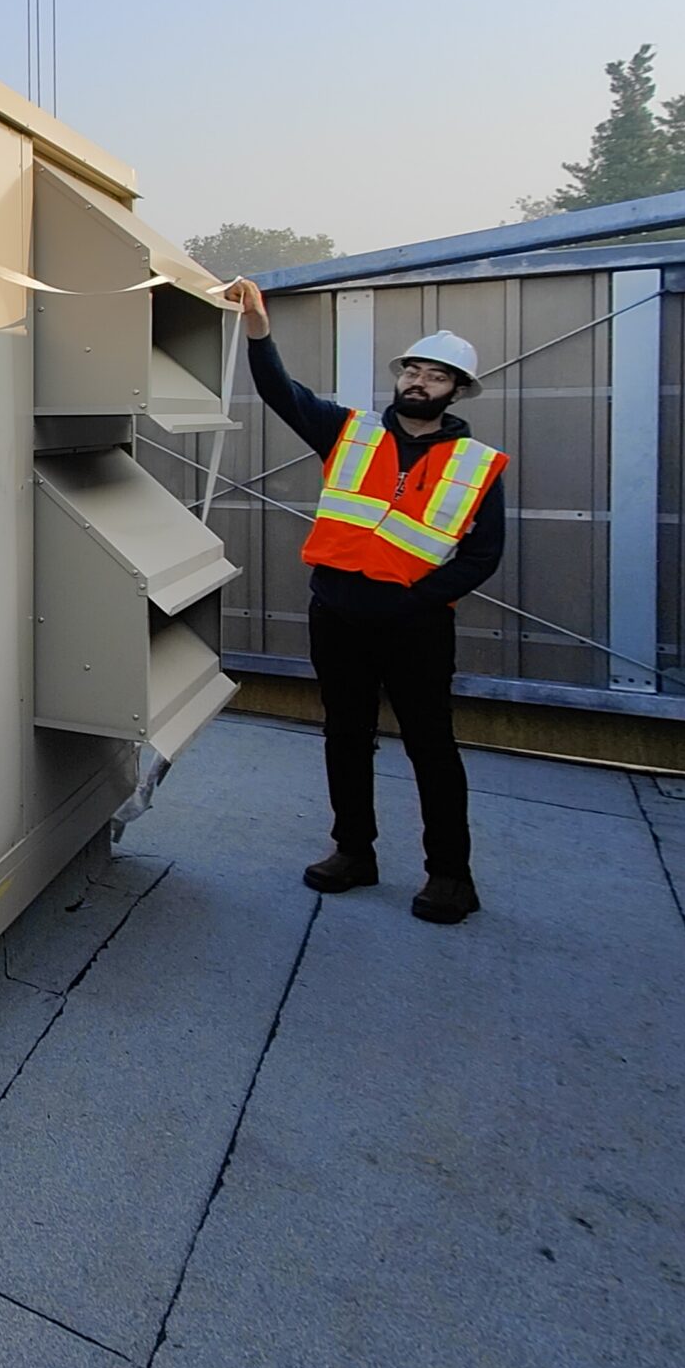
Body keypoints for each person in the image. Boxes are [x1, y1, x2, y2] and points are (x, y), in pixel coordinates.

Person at [226, 279, 507, 924]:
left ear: (457, 390)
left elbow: (482, 555)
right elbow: (279, 391)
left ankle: (450, 876)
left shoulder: (476, 464)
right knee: (345, 736)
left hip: (415, 626)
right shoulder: (348, 432)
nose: (419, 381)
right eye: (413, 368)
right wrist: (259, 327)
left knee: (431, 746)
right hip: (338, 615)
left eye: (436, 375)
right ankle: (354, 852)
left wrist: (413, 600)